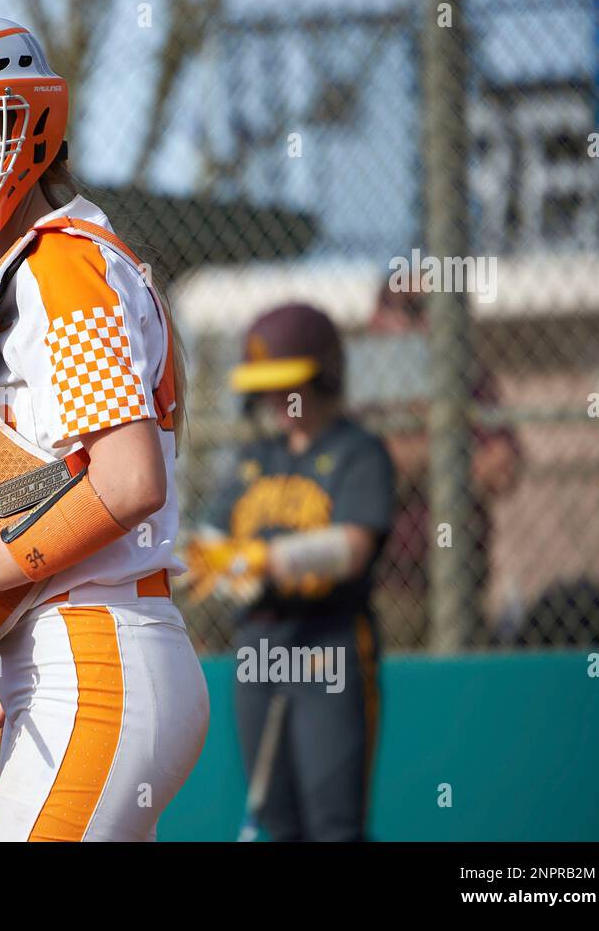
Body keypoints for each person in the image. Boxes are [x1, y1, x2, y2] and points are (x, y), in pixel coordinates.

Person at [0, 14, 208, 841]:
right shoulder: (21, 275)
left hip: (100, 660)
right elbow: (53, 478)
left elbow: (128, 482)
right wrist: (5, 637)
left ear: (37, 128)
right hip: (70, 660)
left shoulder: (60, 263)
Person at [187, 303, 393, 841]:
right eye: (268, 388)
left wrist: (267, 559)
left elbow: (353, 547)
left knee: (333, 822)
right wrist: (208, 559)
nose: (277, 401)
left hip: (329, 646)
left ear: (323, 377)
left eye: (289, 386)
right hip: (258, 647)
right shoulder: (256, 458)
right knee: (275, 820)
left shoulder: (357, 452)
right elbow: (212, 545)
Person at [364, 281, 521, 644]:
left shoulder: (468, 379)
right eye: (415, 309)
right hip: (390, 586)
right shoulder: (367, 382)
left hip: (463, 579)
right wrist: (453, 448)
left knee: (466, 688)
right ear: (379, 319)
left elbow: (501, 470)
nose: (431, 323)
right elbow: (377, 471)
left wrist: (421, 450)